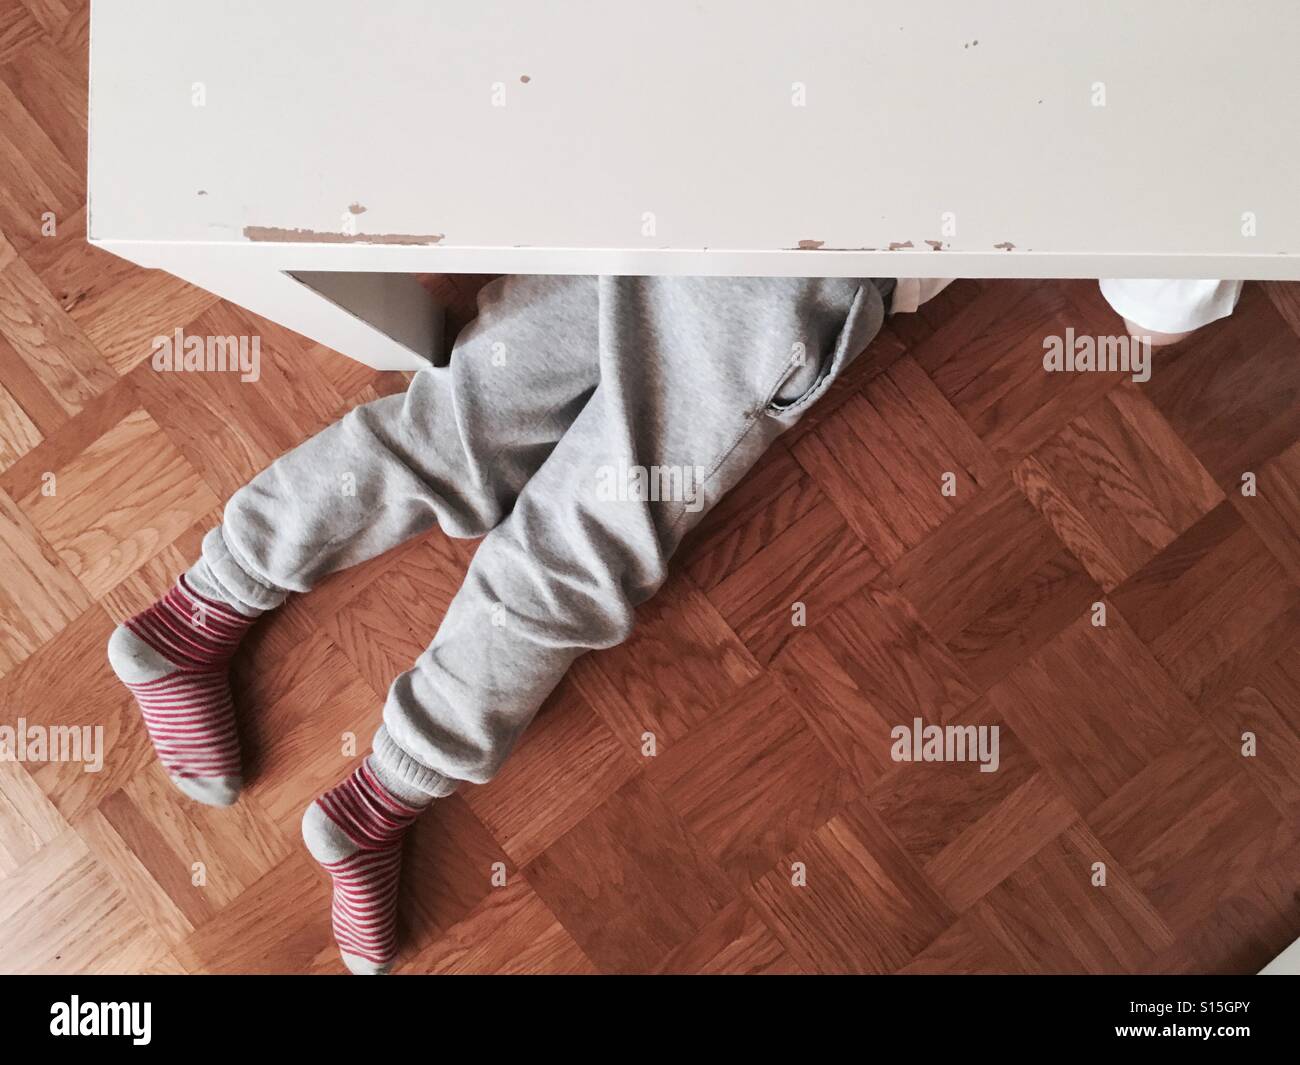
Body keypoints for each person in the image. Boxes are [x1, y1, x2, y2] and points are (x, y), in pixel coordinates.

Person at [107, 272, 1241, 974]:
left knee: (462, 424)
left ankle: (194, 612)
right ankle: (379, 796)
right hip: (791, 251)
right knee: (580, 541)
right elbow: (1160, 299)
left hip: (682, 134)